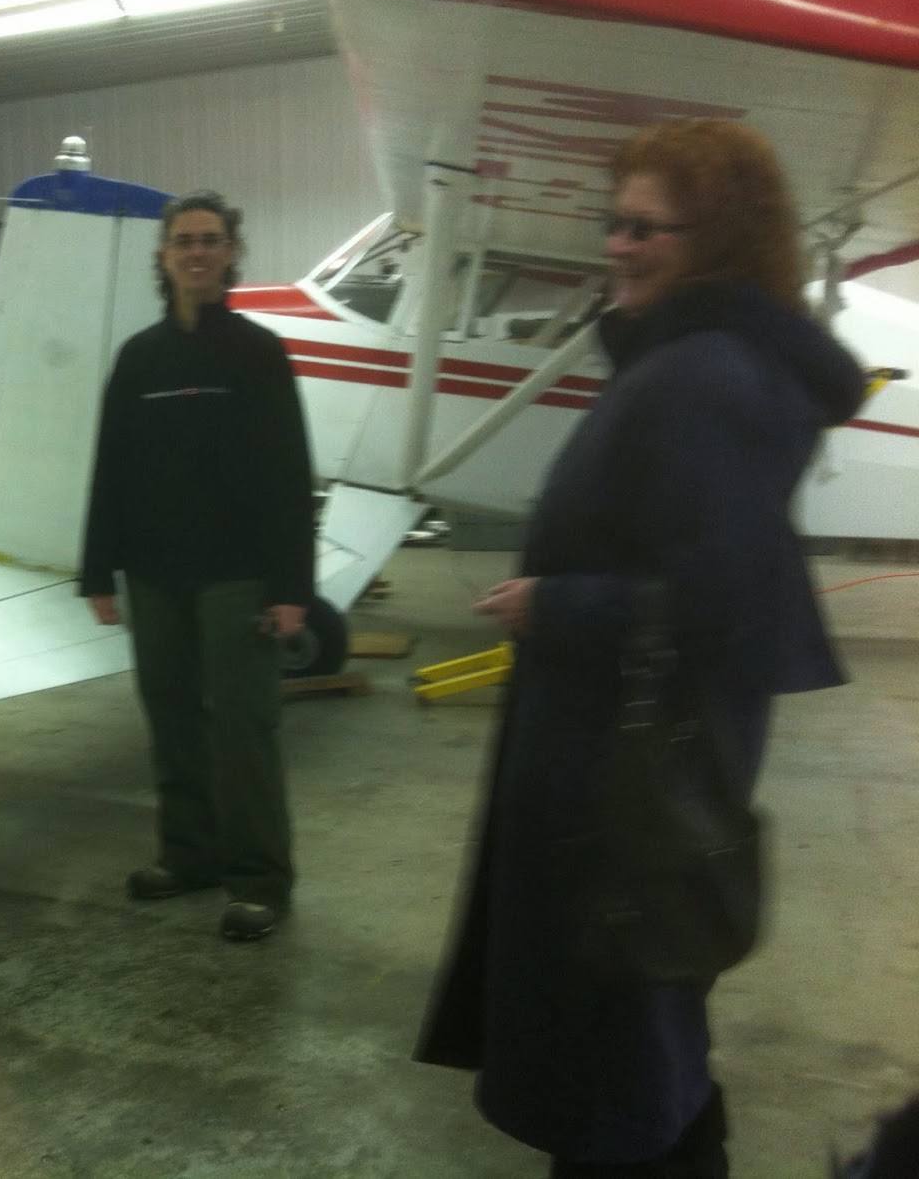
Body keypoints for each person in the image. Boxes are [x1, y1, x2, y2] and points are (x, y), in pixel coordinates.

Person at [414, 119, 866, 1175]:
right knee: (650, 1030)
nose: (616, 245)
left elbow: (719, 602)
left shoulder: (703, 376)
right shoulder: (700, 361)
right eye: (611, 223)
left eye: (645, 228)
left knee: (610, 1059)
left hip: (622, 787)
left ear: (715, 241)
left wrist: (556, 605)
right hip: (635, 772)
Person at [79, 189, 315, 942]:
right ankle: (189, 856)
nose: (197, 251)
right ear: (165, 255)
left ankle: (258, 880)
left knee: (244, 729)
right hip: (156, 576)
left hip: (237, 576)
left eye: (211, 239)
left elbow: (288, 474)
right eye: (184, 240)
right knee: (172, 719)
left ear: (230, 254)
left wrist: (291, 589)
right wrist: (96, 571)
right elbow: (111, 467)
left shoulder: (256, 353)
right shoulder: (140, 358)